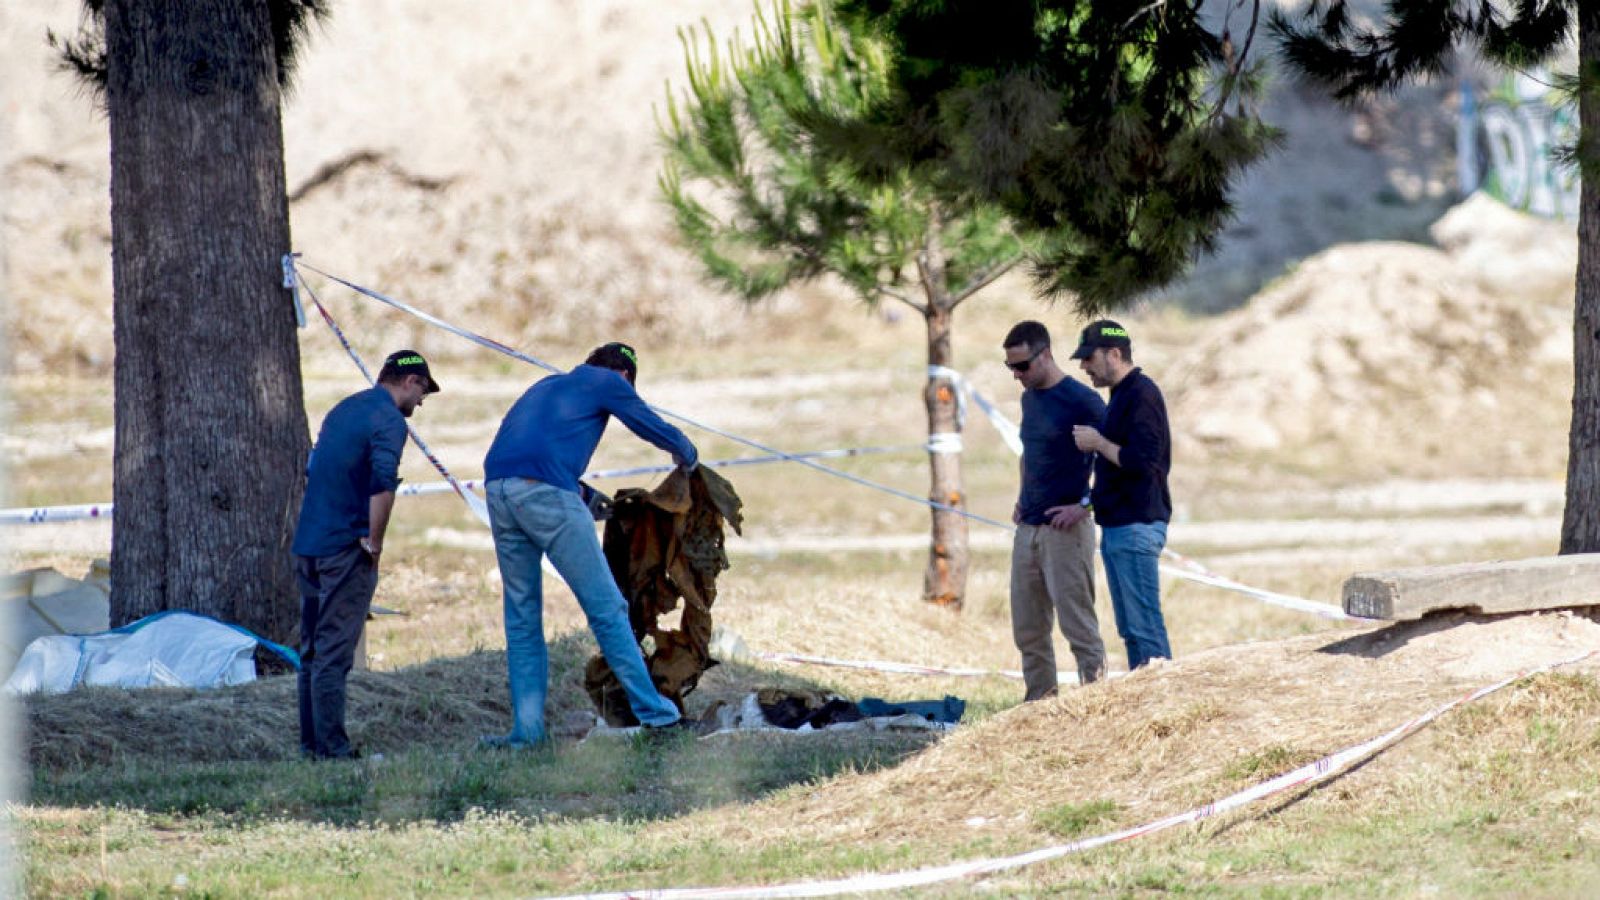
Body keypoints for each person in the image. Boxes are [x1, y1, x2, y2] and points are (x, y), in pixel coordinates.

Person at [481, 342, 697, 746]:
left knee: (523, 616)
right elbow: (651, 426)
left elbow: (531, 452)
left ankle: (526, 733)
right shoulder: (609, 381)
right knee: (607, 608)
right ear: (626, 376)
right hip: (547, 494)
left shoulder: (546, 385)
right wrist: (689, 455)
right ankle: (657, 716)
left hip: (498, 490)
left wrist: (582, 495)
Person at [292, 349, 439, 760]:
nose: (422, 401)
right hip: (344, 548)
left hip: (308, 544)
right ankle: (333, 751)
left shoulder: (344, 409)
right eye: (424, 390)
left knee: (311, 653)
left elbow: (315, 468)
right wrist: (374, 544)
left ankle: (311, 746)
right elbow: (382, 485)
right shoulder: (390, 420)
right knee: (334, 654)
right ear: (409, 381)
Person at [1003, 321, 1109, 700]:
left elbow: (1118, 460)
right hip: (1028, 527)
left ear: (1045, 355)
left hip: (1067, 532)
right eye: (1010, 368)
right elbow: (1029, 452)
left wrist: (1085, 506)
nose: (1017, 375)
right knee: (1028, 628)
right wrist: (1021, 496)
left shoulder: (1084, 401)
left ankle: (1097, 703)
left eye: (1022, 366)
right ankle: (1039, 705)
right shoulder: (1029, 398)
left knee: (1078, 625)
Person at [1070, 320, 1173, 670]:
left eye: (1089, 357)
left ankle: (1164, 705)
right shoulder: (1121, 396)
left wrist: (1098, 442)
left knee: (1144, 628)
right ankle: (1146, 705)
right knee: (1131, 629)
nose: (1084, 366)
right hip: (1119, 526)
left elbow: (1144, 462)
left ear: (1115, 353)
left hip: (1136, 525)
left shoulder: (1142, 394)